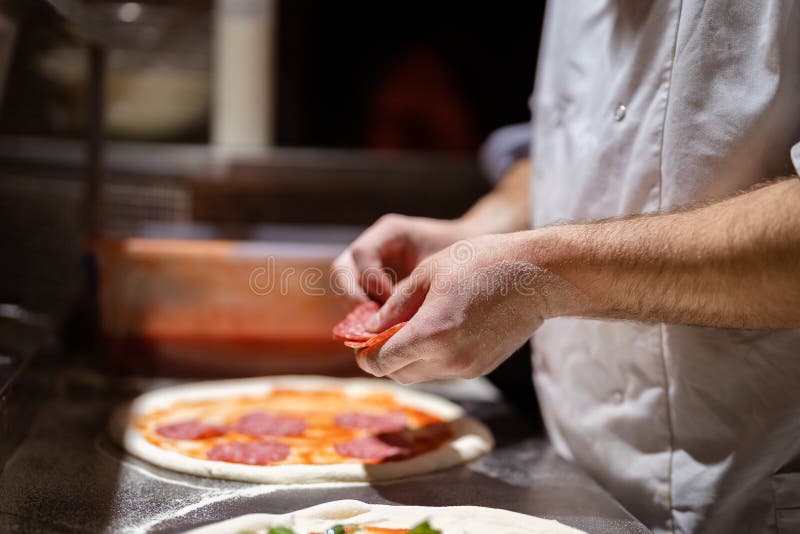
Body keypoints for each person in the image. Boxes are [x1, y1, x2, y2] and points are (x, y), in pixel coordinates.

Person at [333, 1, 800, 533]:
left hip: (755, 494)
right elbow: (564, 149)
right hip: (568, 481)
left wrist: (544, 277)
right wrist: (481, 227)